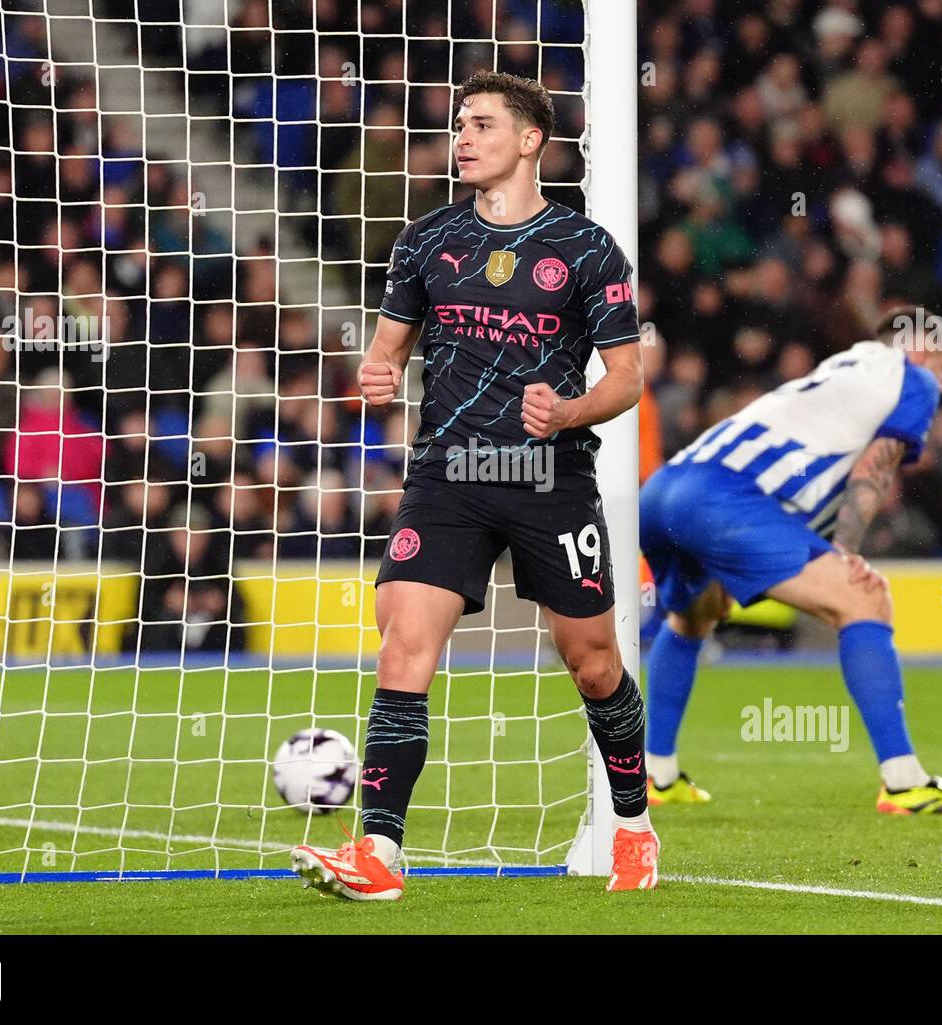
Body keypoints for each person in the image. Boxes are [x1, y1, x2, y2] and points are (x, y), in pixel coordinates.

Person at [292, 71, 656, 899]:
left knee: (593, 662)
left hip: (548, 476)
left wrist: (567, 410)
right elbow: (385, 354)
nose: (461, 137)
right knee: (404, 643)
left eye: (481, 124)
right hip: (447, 475)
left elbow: (628, 378)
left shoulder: (587, 248)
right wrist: (377, 376)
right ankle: (380, 852)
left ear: (530, 140)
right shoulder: (425, 241)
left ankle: (633, 824)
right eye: (458, 124)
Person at [640, 307, 942, 815]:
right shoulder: (911, 379)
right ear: (920, 348)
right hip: (722, 499)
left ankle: (657, 773)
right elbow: (874, 471)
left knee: (693, 616)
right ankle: (904, 783)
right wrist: (844, 555)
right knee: (866, 599)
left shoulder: (843, 369)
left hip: (666, 489)